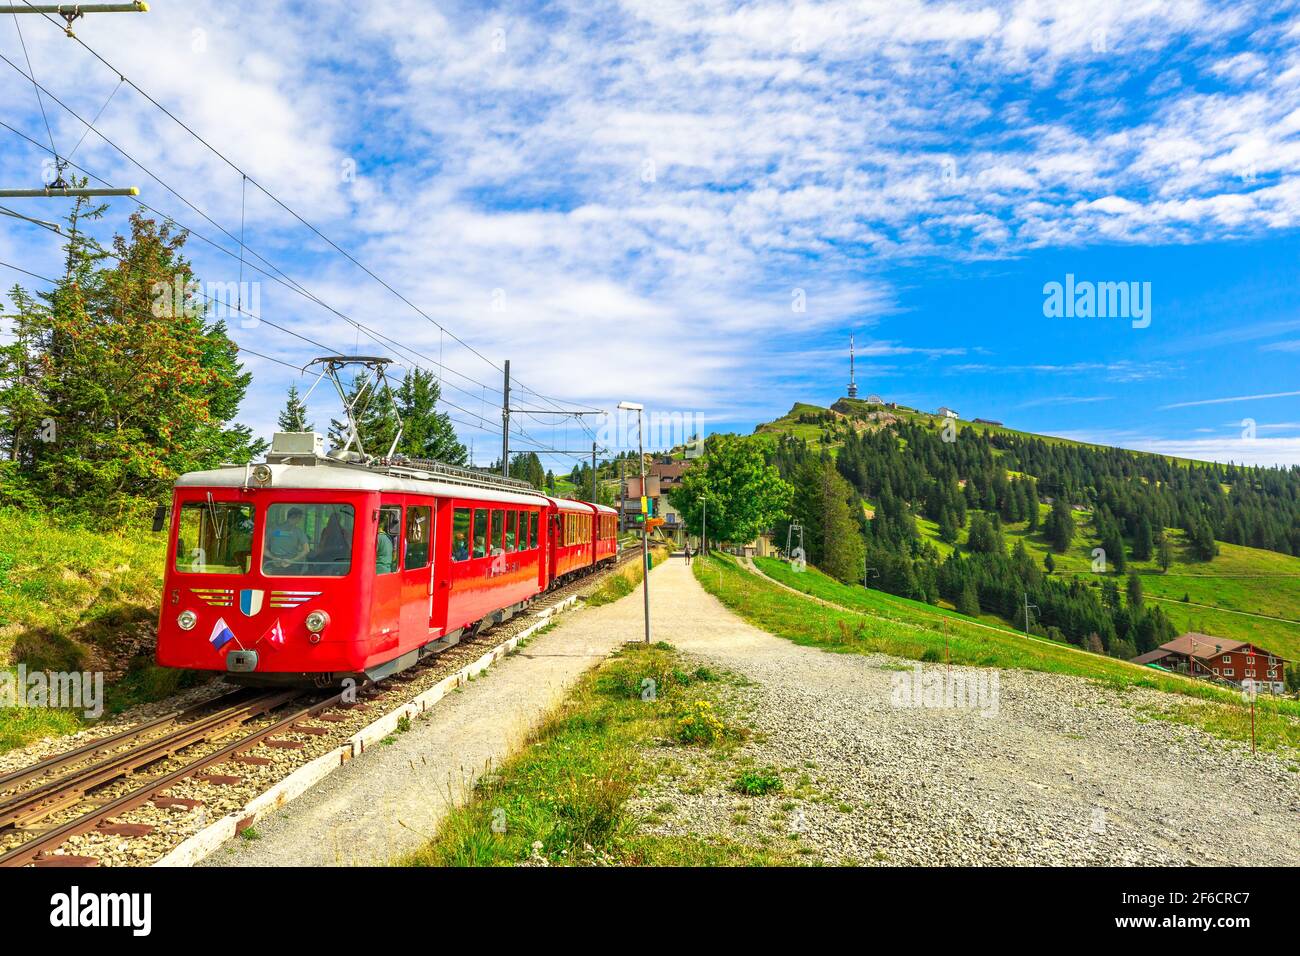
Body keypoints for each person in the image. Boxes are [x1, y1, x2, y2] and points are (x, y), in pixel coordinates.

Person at [265, 506, 310, 572]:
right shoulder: (298, 531)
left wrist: (274, 558)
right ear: (297, 517)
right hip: (291, 567)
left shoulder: (273, 529)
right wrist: (292, 560)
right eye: (300, 518)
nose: (300, 520)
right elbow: (306, 550)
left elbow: (262, 548)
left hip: (274, 565)